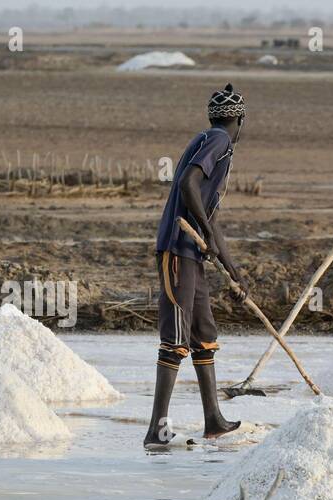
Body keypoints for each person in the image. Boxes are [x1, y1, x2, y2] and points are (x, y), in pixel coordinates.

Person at [144, 83, 245, 448]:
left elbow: (210, 217)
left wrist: (233, 270)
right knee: (175, 341)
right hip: (178, 249)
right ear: (240, 120)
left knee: (204, 337)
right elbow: (188, 184)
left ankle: (213, 419)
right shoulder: (219, 141)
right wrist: (202, 228)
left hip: (194, 255)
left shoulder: (212, 141)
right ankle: (157, 428)